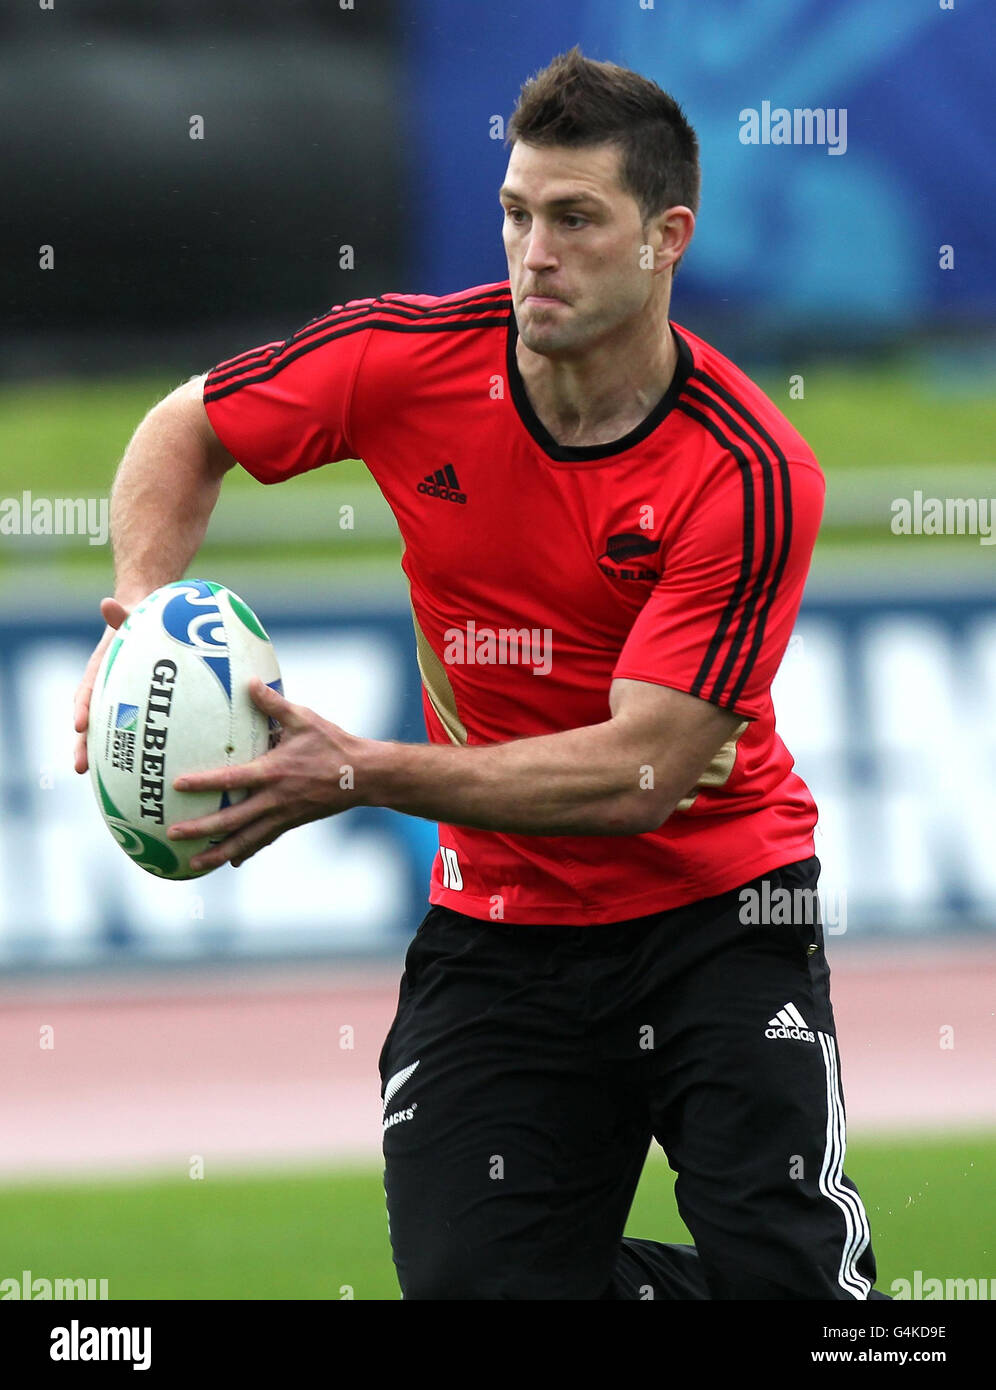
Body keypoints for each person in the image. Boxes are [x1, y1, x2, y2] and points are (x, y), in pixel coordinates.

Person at [74, 48, 889, 1300]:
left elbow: (642, 775)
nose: (532, 251)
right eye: (516, 213)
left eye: (574, 219)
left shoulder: (748, 470)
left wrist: (358, 771)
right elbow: (187, 426)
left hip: (720, 917)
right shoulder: (408, 359)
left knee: (798, 1298)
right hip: (502, 931)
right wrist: (133, 622)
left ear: (668, 236)